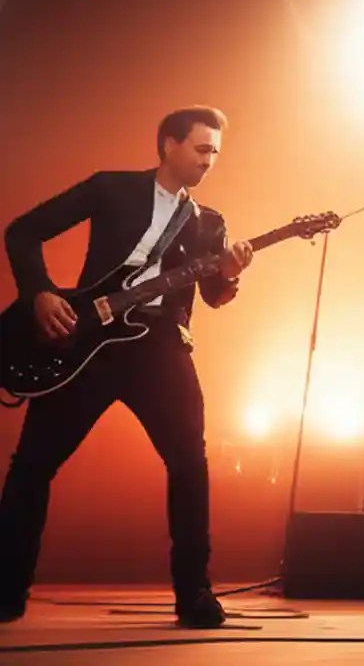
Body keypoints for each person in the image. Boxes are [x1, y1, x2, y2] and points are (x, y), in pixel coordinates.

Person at [0, 106, 254, 628]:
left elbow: (213, 295)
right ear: (168, 145)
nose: (210, 161)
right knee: (32, 466)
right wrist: (39, 293)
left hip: (160, 347)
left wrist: (230, 276)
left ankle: (194, 595)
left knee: (190, 462)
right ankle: (5, 589)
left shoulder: (209, 222)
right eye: (201, 149)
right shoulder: (110, 188)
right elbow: (23, 231)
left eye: (215, 153)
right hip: (87, 342)